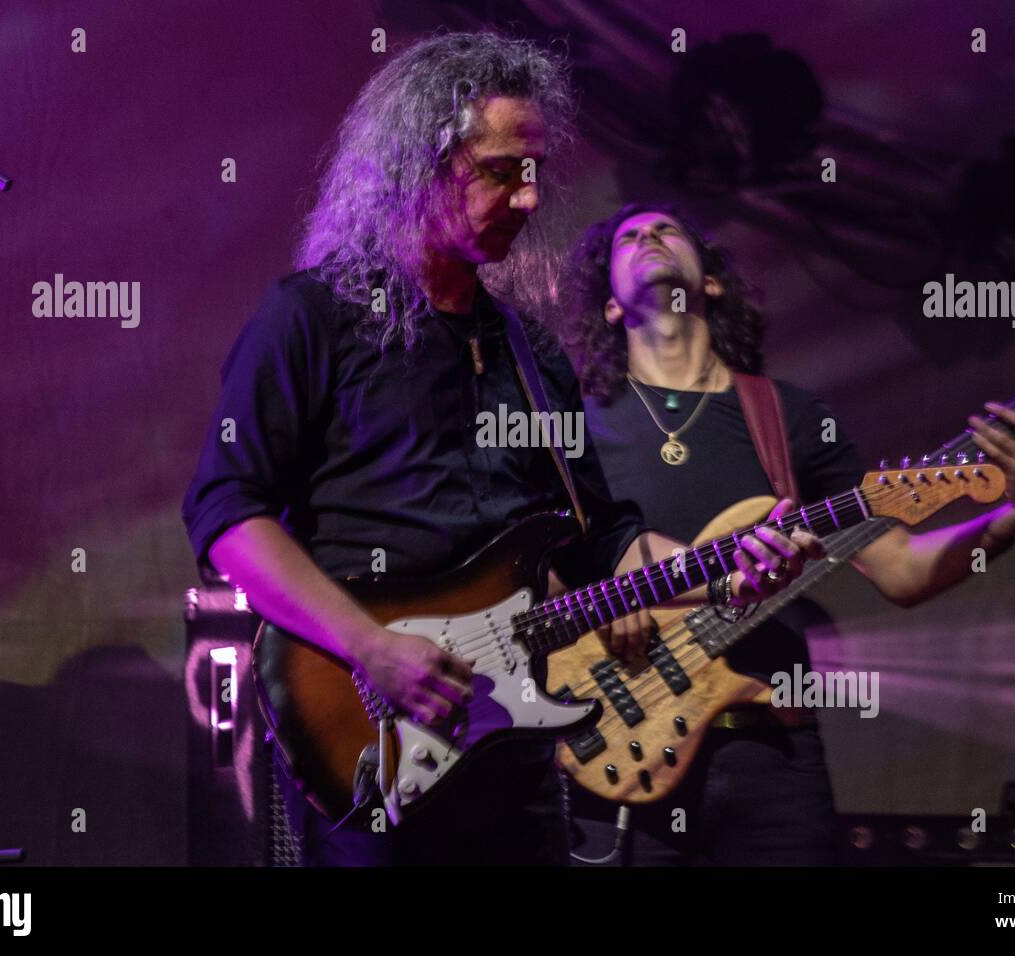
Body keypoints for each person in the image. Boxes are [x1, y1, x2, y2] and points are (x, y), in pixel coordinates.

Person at [182, 37, 810, 866]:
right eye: (503, 170)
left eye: (536, 171)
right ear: (418, 165)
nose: (530, 195)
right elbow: (227, 513)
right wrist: (372, 649)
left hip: (513, 758)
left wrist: (725, 567)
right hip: (372, 733)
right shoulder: (311, 319)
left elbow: (602, 542)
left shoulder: (532, 355)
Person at [552, 203, 1015, 865]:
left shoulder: (787, 415)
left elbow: (900, 569)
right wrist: (606, 602)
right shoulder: (577, 427)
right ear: (611, 306)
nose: (649, 236)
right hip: (620, 745)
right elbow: (538, 577)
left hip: (770, 756)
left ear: (711, 282)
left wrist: (1014, 515)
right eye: (629, 236)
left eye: (668, 229)